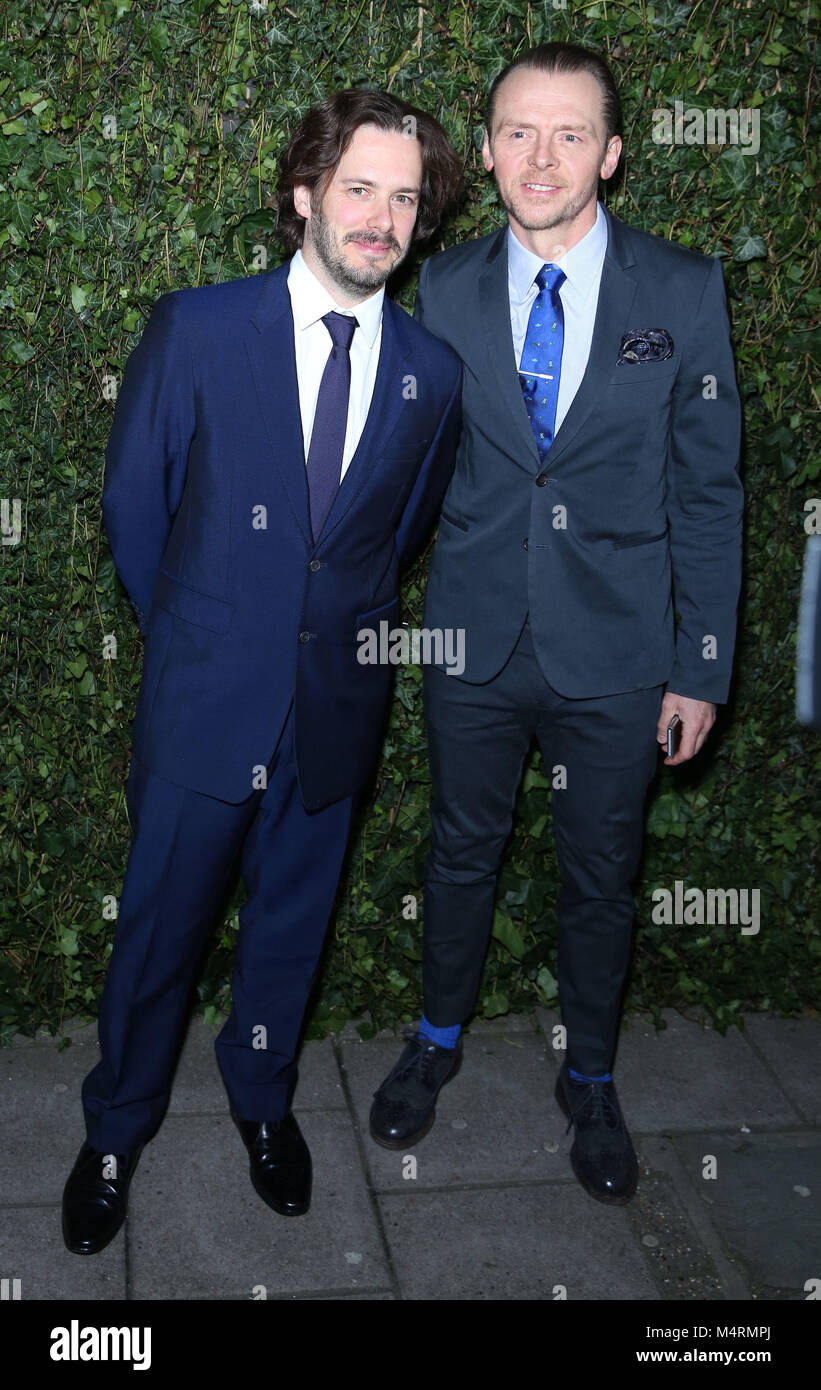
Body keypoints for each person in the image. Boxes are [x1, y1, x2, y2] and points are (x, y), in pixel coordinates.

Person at [62, 88, 462, 1254]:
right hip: (204, 698)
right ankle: (111, 1130)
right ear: (303, 196)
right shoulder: (195, 329)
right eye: (357, 189)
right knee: (157, 933)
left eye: (403, 197)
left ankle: (261, 1102)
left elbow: (390, 541)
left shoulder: (429, 376)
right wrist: (205, 633)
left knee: (291, 927)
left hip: (334, 711)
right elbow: (135, 508)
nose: (379, 218)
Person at [370, 42, 744, 1205]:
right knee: (459, 852)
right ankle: (435, 1038)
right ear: (483, 153)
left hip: (619, 653)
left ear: (612, 154)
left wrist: (700, 667)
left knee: (601, 872)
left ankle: (589, 1075)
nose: (541, 156)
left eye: (569, 132)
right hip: (474, 641)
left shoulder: (679, 292)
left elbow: (708, 489)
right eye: (518, 132)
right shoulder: (437, 289)